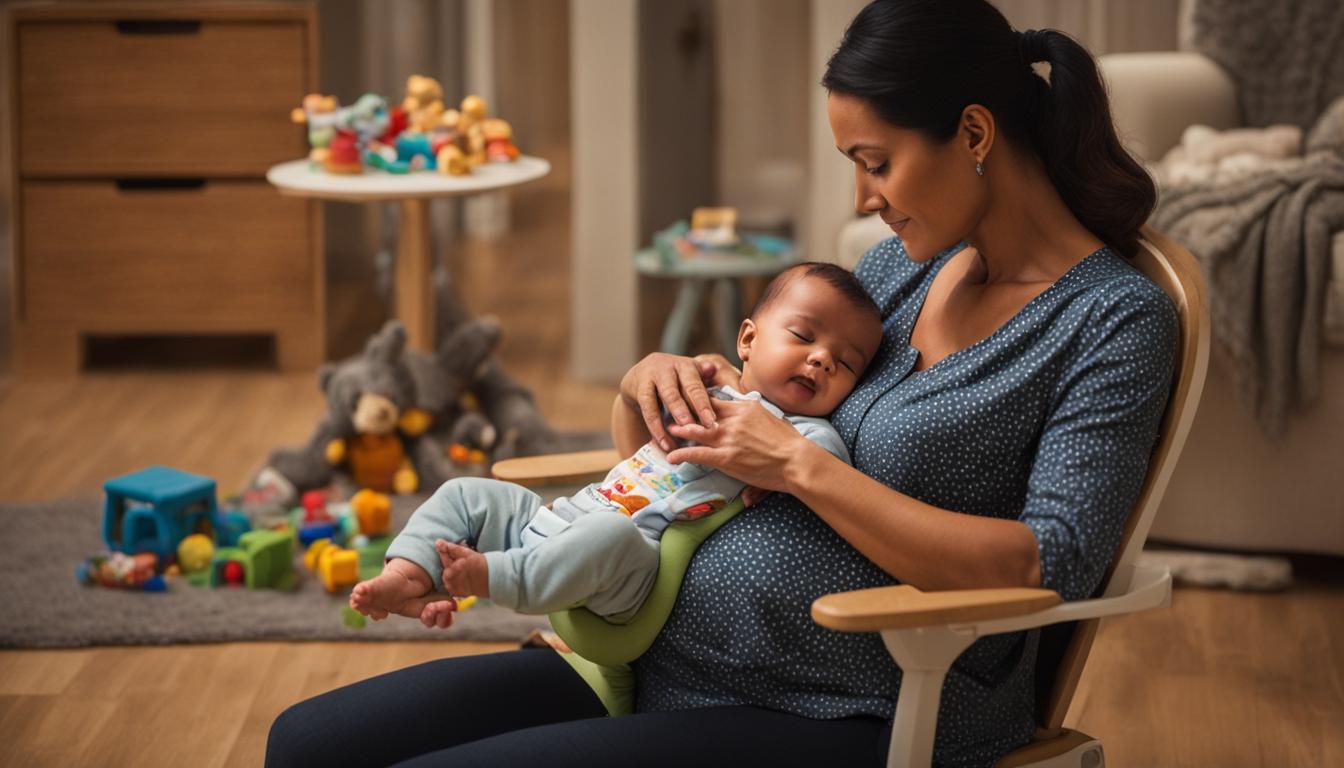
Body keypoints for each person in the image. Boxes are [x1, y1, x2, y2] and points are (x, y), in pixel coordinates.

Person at [266, 1, 1178, 765]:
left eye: (876, 162)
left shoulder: (1112, 322)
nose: (864, 199)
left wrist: (801, 467)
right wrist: (647, 391)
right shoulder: (905, 271)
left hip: (852, 704)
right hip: (643, 647)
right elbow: (683, 476)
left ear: (973, 133)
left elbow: (1047, 563)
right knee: (306, 743)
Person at [347, 262, 883, 627]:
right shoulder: (704, 384)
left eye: (847, 362)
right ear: (748, 340)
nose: (822, 360)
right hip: (565, 516)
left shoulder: (807, 433)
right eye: (805, 336)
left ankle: (491, 577)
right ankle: (407, 574)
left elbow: (824, 469)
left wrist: (787, 457)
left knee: (607, 534)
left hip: (634, 566)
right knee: (469, 492)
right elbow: (638, 432)